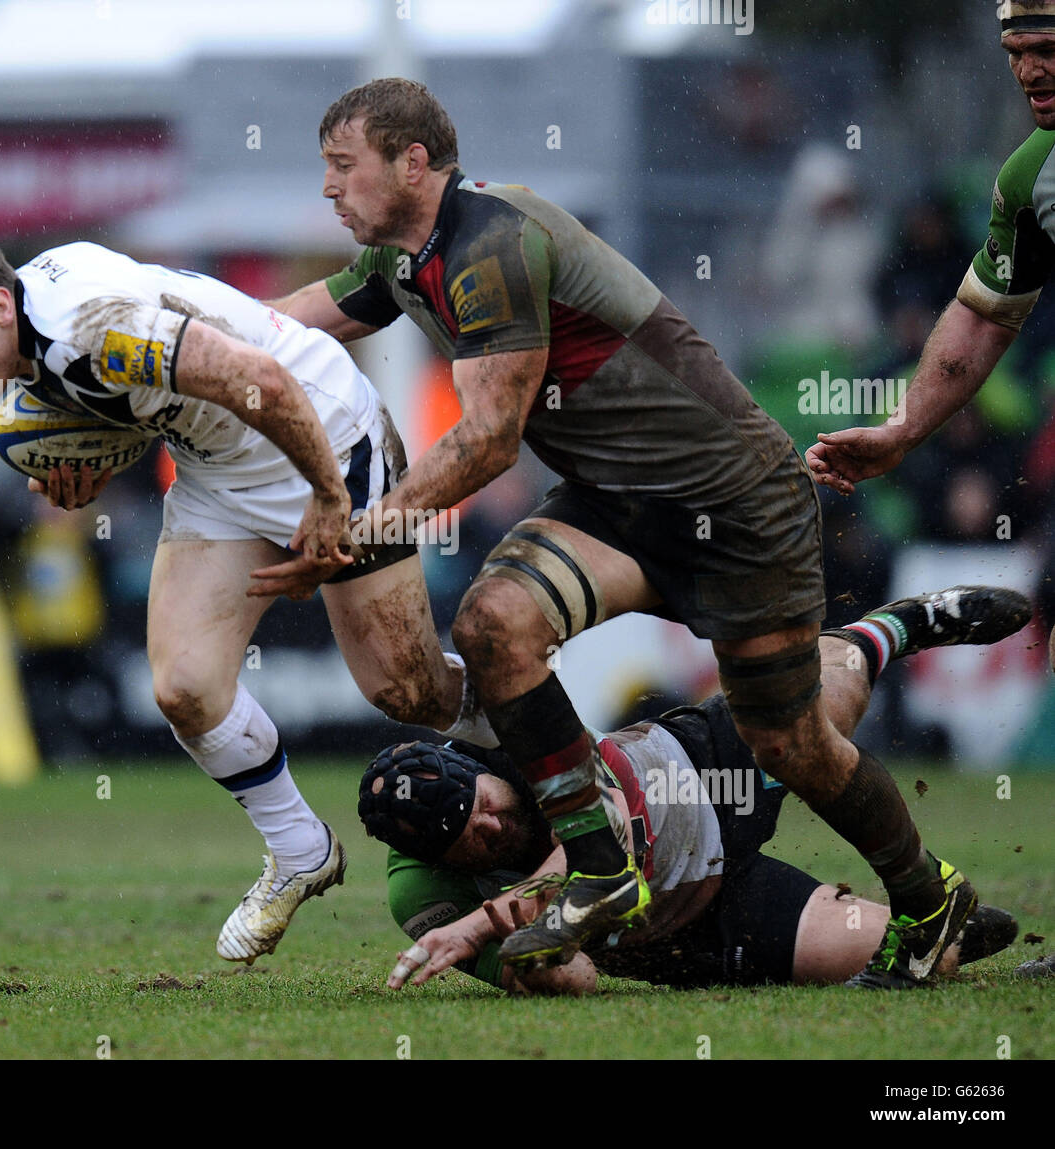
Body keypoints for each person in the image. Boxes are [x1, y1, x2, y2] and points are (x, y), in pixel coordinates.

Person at [259, 77, 996, 988]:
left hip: (735, 499)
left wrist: (361, 533)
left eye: (342, 166)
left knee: (789, 746)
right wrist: (152, 348)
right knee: (493, 624)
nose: (328, 187)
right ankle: (602, 867)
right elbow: (263, 331)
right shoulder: (400, 264)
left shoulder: (491, 242)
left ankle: (927, 895)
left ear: (414, 164)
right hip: (620, 502)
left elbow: (489, 439)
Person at [0, 234, 495, 965]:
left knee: (406, 687)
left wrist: (329, 495)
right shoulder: (31, 340)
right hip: (218, 469)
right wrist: (97, 462)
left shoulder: (90, 328)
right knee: (184, 686)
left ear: (2, 305)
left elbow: (258, 378)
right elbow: (143, 403)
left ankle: (542, 738)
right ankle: (301, 849)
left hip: (323, 435)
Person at [361, 588, 1027, 995]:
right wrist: (521, 956)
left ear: (481, 767)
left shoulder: (506, 733)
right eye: (469, 842)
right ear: (438, 861)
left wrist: (486, 918)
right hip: (682, 926)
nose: (493, 828)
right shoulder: (418, 893)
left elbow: (606, 842)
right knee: (930, 964)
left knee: (812, 720)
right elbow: (580, 978)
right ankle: (974, 936)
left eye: (486, 805)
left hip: (694, 775)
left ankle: (892, 628)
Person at [807, 6, 1055, 552]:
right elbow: (984, 316)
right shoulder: (1027, 177)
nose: (1029, 72)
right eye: (1016, 54)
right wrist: (900, 431)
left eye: (1047, 52)